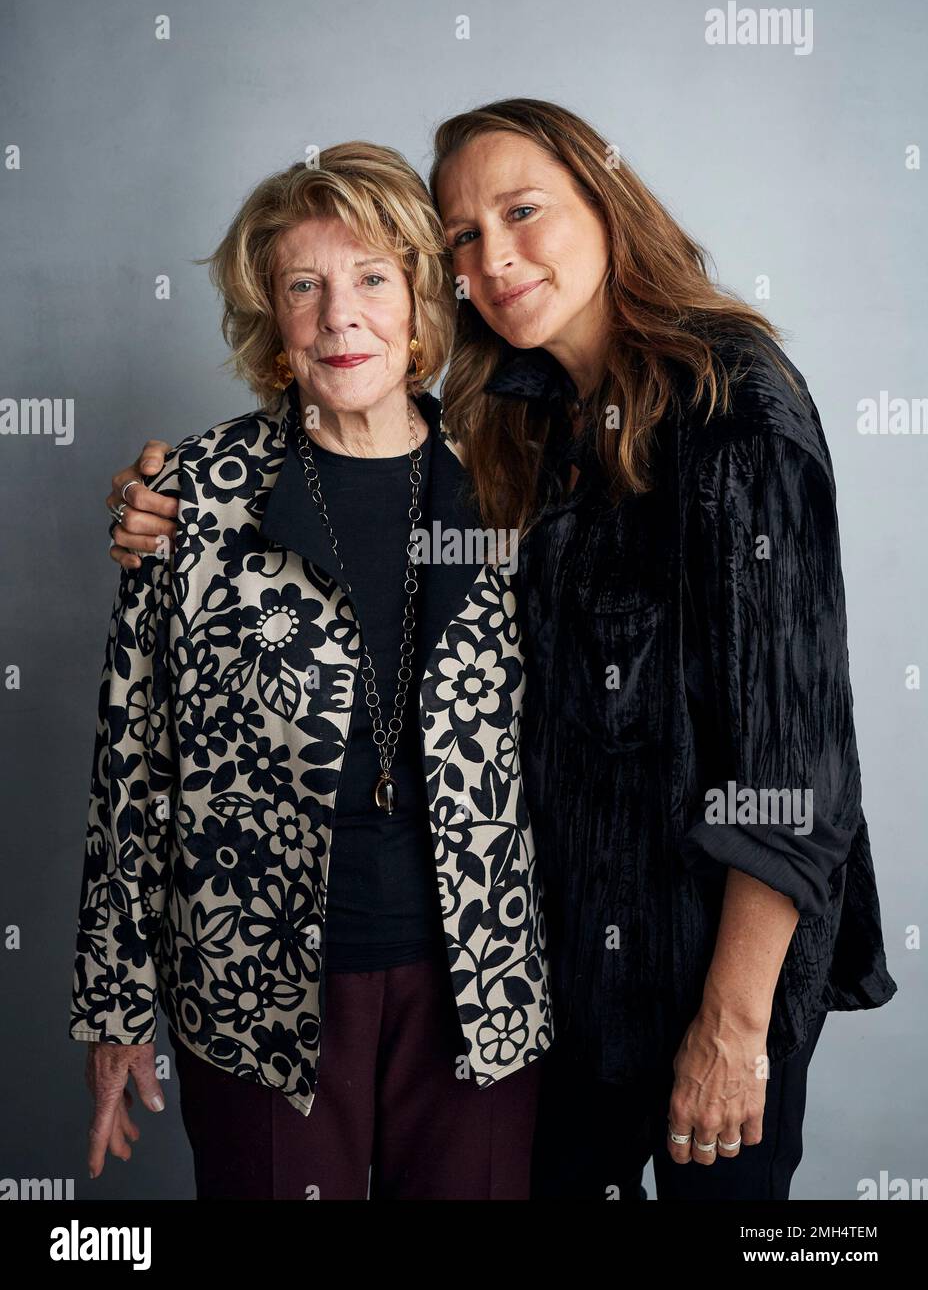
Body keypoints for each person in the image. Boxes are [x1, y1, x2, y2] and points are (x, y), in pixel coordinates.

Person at [107, 98, 897, 1201]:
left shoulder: (737, 411)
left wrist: (732, 1022)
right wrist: (182, 492)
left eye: (523, 212)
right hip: (554, 982)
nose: (495, 256)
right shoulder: (517, 425)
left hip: (706, 979)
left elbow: (793, 768)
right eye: (465, 236)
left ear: (607, 205)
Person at [70, 142, 552, 1200]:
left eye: (372, 278)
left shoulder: (514, 475)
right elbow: (132, 769)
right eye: (305, 285)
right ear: (273, 321)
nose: (341, 316)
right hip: (255, 985)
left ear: (423, 301)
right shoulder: (192, 495)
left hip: (480, 980)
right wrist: (115, 1011)